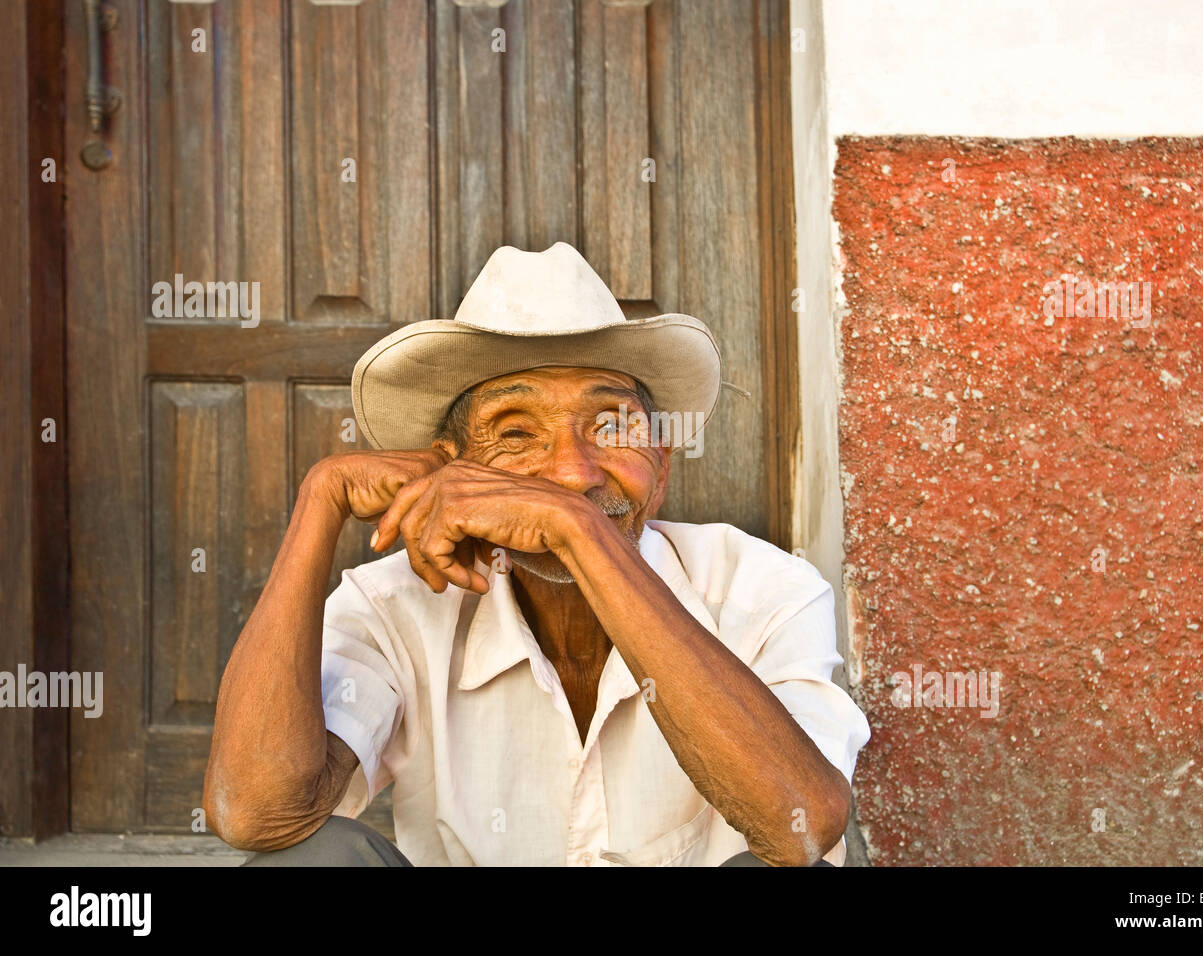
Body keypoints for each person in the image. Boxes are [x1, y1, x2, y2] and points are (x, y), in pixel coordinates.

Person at [203, 242, 871, 866]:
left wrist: (577, 530)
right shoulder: (393, 606)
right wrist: (321, 500)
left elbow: (802, 824)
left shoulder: (764, 589)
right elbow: (259, 815)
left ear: (660, 469)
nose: (573, 473)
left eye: (610, 425)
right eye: (516, 433)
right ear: (453, 476)